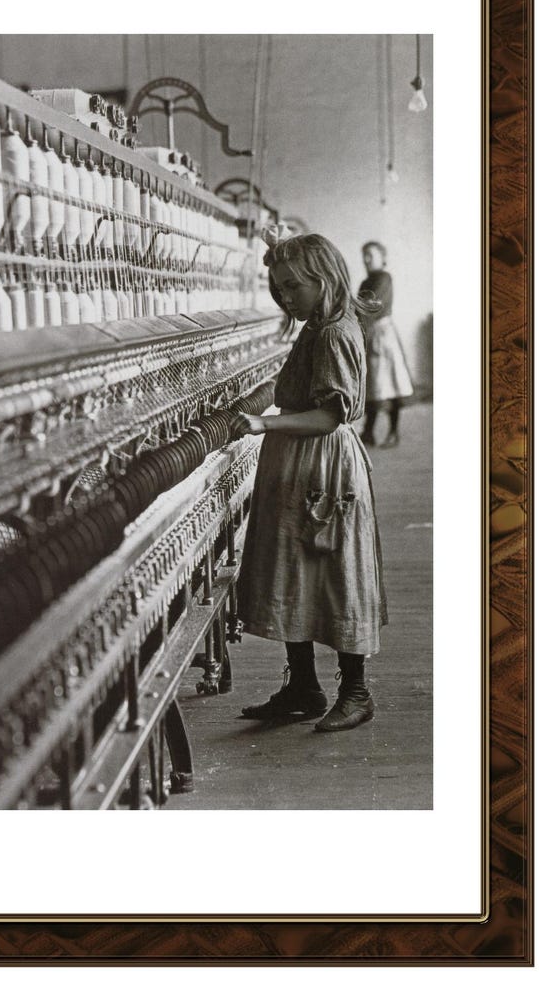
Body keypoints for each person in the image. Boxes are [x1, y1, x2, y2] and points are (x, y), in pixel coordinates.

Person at [231, 230, 388, 732]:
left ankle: (356, 692)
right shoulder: (317, 323)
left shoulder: (336, 332)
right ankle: (303, 687)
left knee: (337, 574)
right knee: (292, 569)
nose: (285, 297)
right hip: (299, 465)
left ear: (325, 278)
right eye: (278, 288)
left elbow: (329, 417)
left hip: (323, 465)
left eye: (294, 286)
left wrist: (264, 423)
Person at [358, 241, 414, 447]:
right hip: (371, 334)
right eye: (364, 255)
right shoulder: (366, 281)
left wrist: (358, 315)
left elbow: (372, 306)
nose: (366, 259)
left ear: (382, 258)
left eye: (370, 255)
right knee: (373, 383)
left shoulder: (384, 278)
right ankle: (369, 431)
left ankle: (393, 432)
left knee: (390, 383)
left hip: (383, 336)